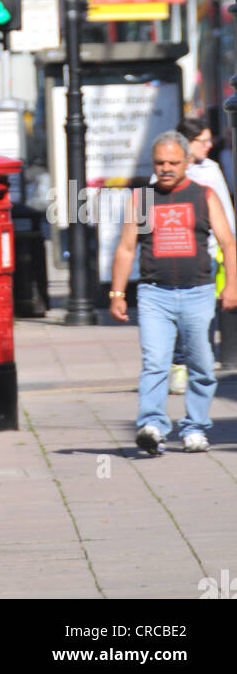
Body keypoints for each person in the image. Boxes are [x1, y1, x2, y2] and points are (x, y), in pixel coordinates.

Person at [110, 131, 237, 455]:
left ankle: (195, 428)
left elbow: (228, 243)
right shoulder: (141, 199)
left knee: (202, 365)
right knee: (155, 362)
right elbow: (125, 249)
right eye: (159, 162)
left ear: (186, 162)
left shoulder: (204, 195)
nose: (165, 168)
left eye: (173, 163)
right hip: (154, 294)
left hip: (198, 292)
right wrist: (117, 294)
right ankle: (152, 425)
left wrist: (232, 286)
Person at [166, 116, 236, 394]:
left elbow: (227, 218)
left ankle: (194, 367)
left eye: (209, 140)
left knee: (200, 315)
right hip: (169, 254)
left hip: (203, 255)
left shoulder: (211, 169)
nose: (209, 145)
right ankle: (178, 363)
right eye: (203, 141)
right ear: (186, 142)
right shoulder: (166, 169)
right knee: (173, 313)